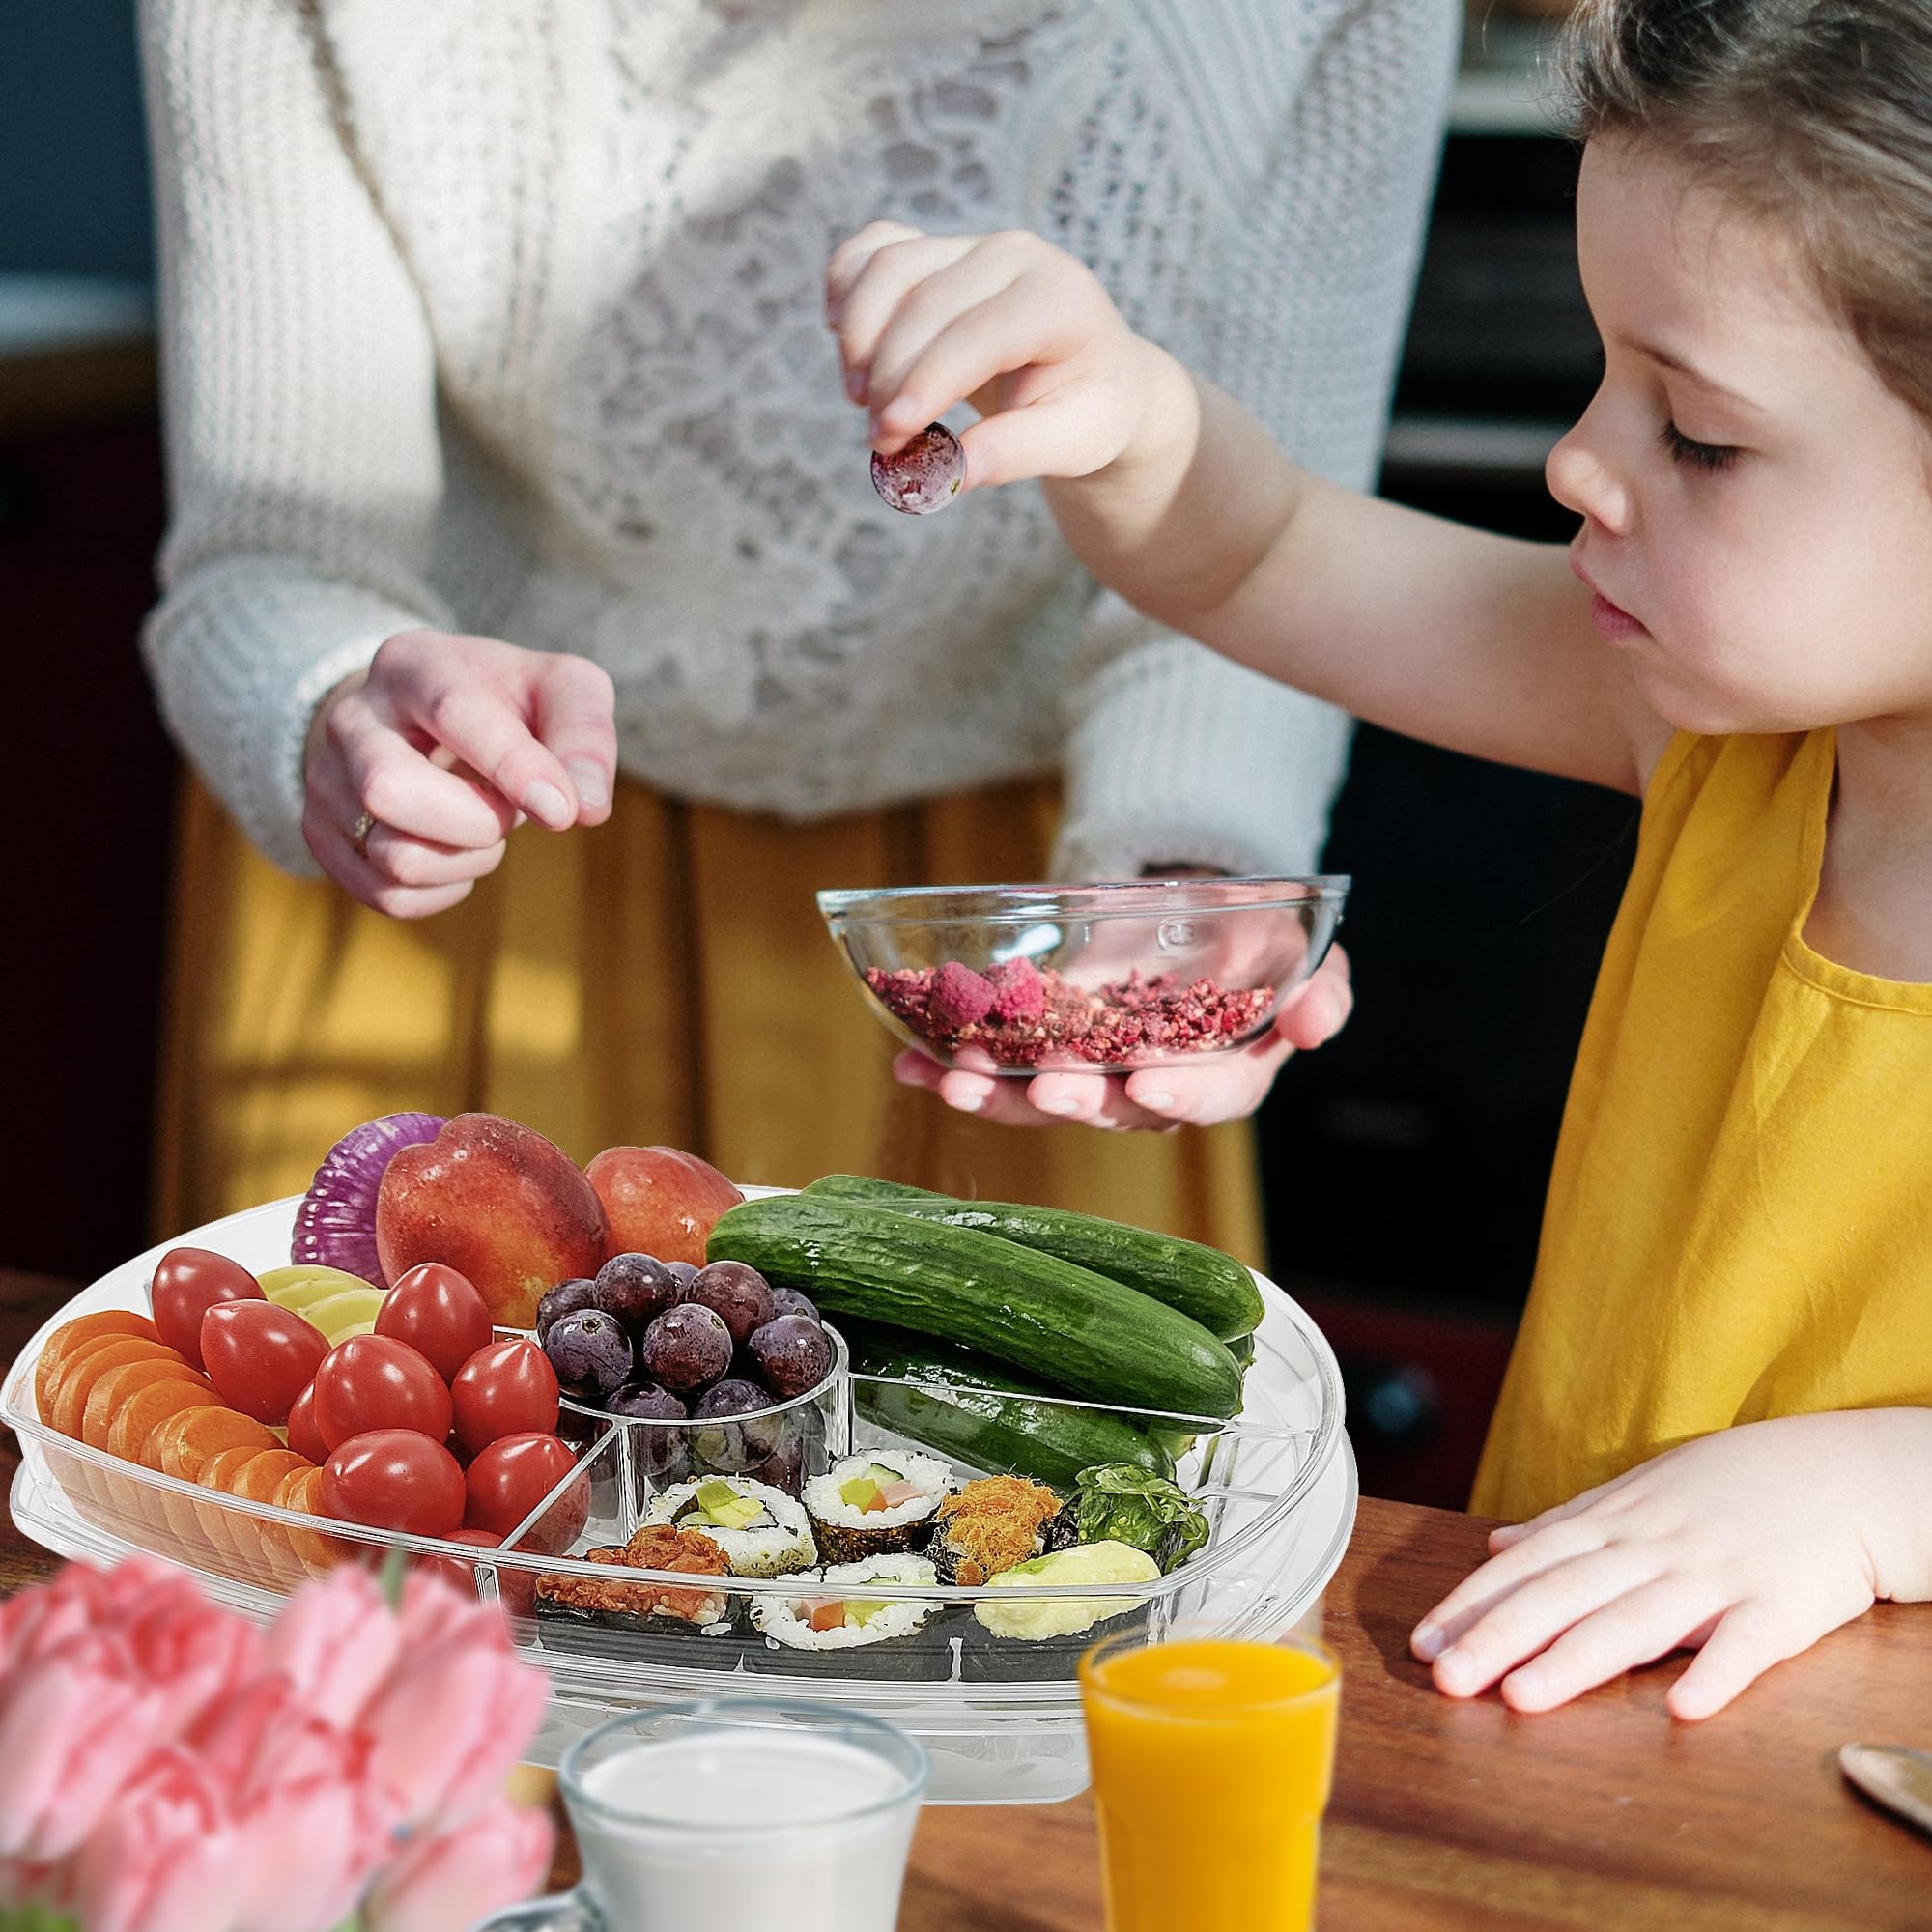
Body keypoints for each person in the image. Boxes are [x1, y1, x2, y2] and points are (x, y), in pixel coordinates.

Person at [826, 0, 1932, 1719]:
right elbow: (1267, 552)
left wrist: (1881, 1498)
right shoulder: (1724, 740)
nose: (1579, 459)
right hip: (1566, 1720)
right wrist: (1123, 411)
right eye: (1605, 377)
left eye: (1697, 434)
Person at [136, 0, 1455, 1252]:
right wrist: (333, 704)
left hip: (1021, 926)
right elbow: (275, 551)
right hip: (468, 860)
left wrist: (1178, 889)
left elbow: (1264, 562)